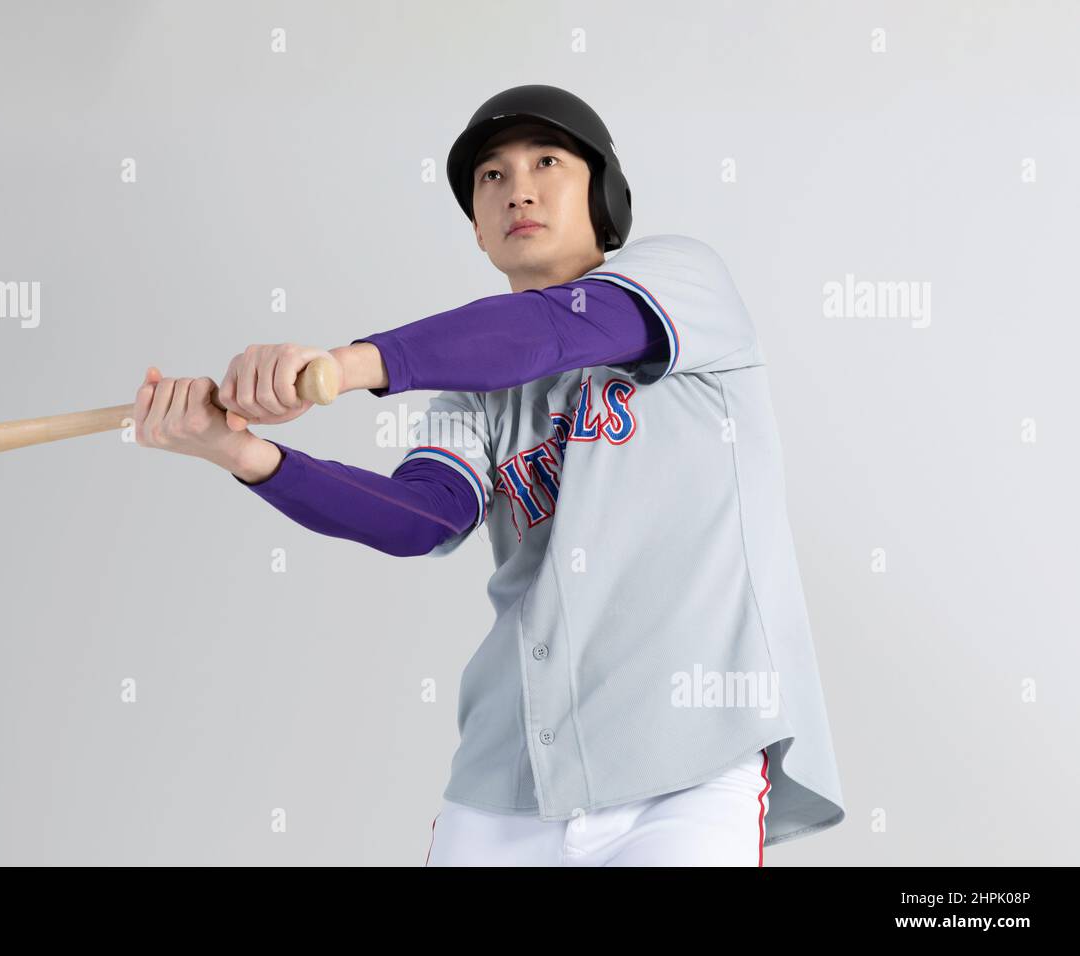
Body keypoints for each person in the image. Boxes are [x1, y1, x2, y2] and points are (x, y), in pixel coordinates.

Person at [131, 85, 845, 866]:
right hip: (508, 780)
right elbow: (420, 519)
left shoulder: (684, 282)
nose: (519, 188)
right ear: (477, 224)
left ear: (604, 196)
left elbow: (547, 331)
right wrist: (240, 453)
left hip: (688, 763)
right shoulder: (471, 389)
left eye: (547, 162)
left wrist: (342, 365)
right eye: (492, 177)